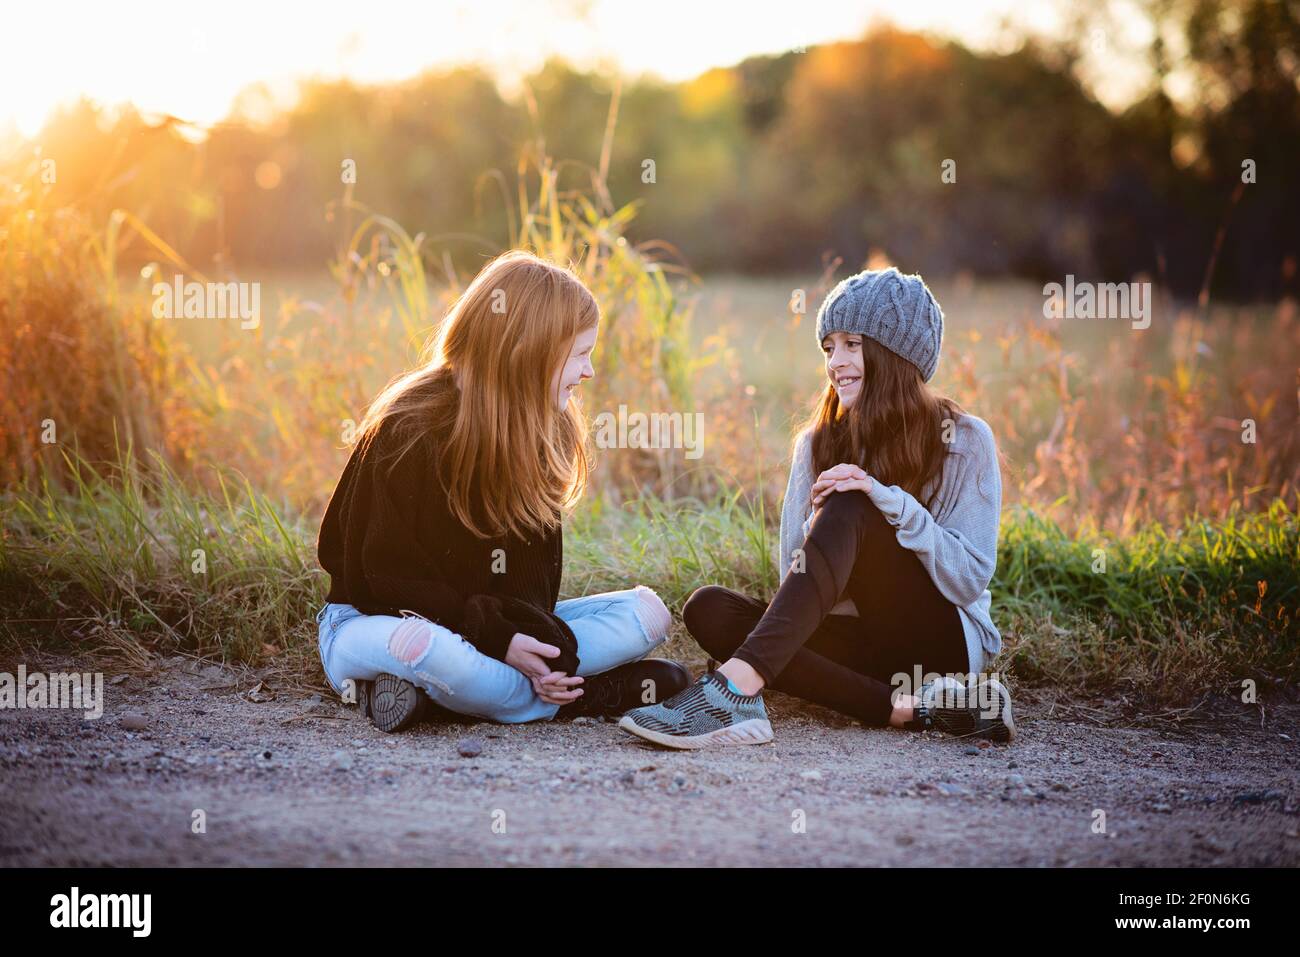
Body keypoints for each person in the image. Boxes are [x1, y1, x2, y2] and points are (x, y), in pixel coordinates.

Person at [620, 267, 1014, 748]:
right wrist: (820, 522)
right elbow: (793, 582)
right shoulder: (816, 444)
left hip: (937, 645)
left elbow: (969, 577)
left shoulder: (964, 439)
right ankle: (912, 709)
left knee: (853, 502)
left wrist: (885, 503)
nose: (835, 362)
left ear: (896, 353)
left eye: (852, 343)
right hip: (858, 644)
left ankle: (733, 692)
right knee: (710, 610)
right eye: (828, 347)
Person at [316, 250, 688, 733]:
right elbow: (384, 581)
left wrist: (534, 648)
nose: (589, 371)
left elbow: (532, 593)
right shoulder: (407, 429)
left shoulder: (542, 431)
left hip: (488, 628)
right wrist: (502, 641)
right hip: (372, 624)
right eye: (579, 354)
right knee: (428, 650)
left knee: (647, 616)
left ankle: (438, 698)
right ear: (526, 351)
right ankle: (590, 695)